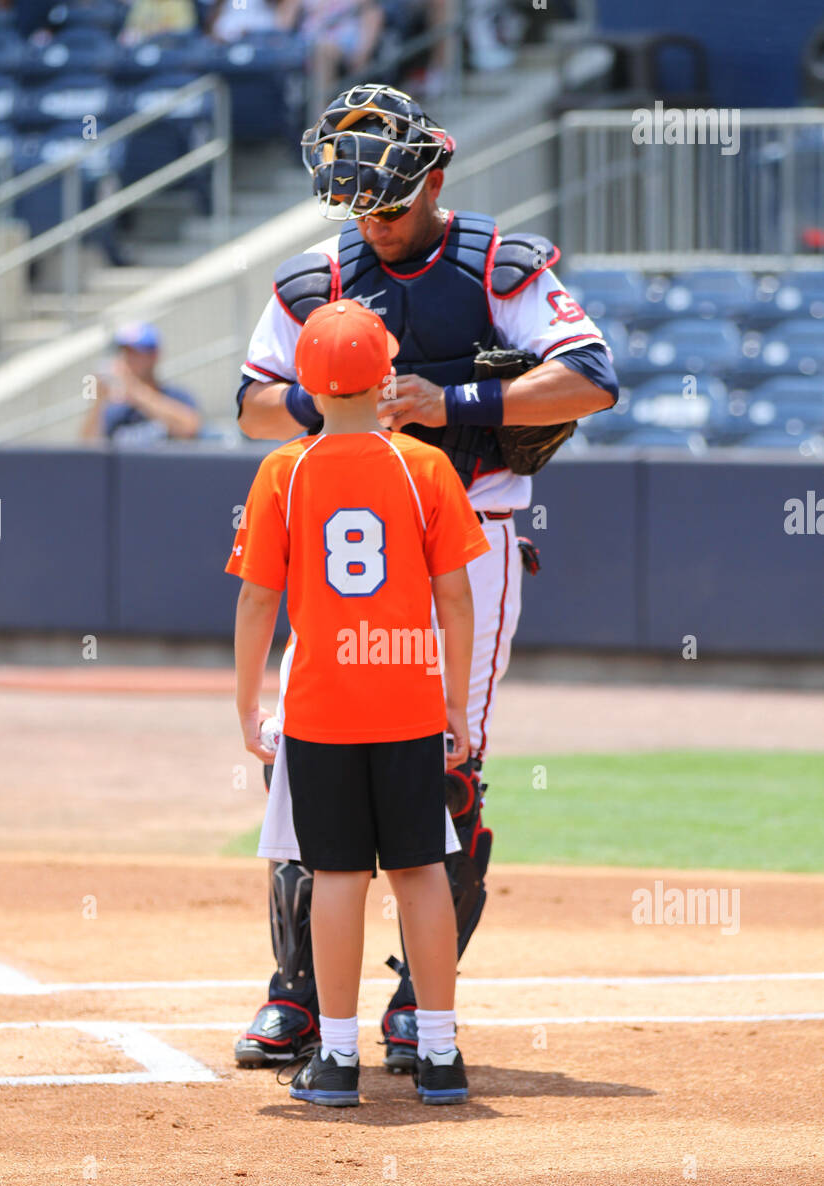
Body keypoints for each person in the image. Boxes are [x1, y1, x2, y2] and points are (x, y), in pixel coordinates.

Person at [233, 82, 618, 1074]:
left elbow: (589, 374)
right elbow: (250, 403)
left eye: (390, 203)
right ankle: (297, 995)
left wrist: (448, 401)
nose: (373, 221)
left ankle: (417, 1001)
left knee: (447, 767)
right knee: (302, 763)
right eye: (358, 205)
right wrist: (342, 408)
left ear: (434, 177)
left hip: (472, 533)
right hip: (343, 544)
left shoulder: (499, 262)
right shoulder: (319, 277)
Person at [226, 298, 489, 1105]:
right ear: (386, 374)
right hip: (408, 700)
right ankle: (439, 1053)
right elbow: (455, 599)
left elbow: (257, 604)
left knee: (337, 875)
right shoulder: (425, 466)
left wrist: (247, 706)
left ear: (304, 379)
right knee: (421, 874)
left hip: (321, 708)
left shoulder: (284, 470)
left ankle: (336, 1059)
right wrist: (454, 706)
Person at [81, 322, 202, 445]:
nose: (128, 360)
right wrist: (98, 402)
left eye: (135, 354)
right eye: (125, 353)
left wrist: (135, 390)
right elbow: (88, 448)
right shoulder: (116, 410)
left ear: (154, 355)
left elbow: (190, 428)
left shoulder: (176, 395)